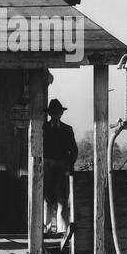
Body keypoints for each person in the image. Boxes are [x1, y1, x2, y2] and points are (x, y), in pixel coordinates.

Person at [43, 98, 77, 235]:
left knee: (62, 198)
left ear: (61, 113)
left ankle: (62, 230)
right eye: (53, 112)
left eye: (58, 112)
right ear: (50, 113)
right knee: (47, 198)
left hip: (62, 166)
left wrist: (69, 165)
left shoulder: (67, 129)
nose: (56, 115)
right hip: (47, 166)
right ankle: (45, 229)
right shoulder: (43, 128)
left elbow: (74, 150)